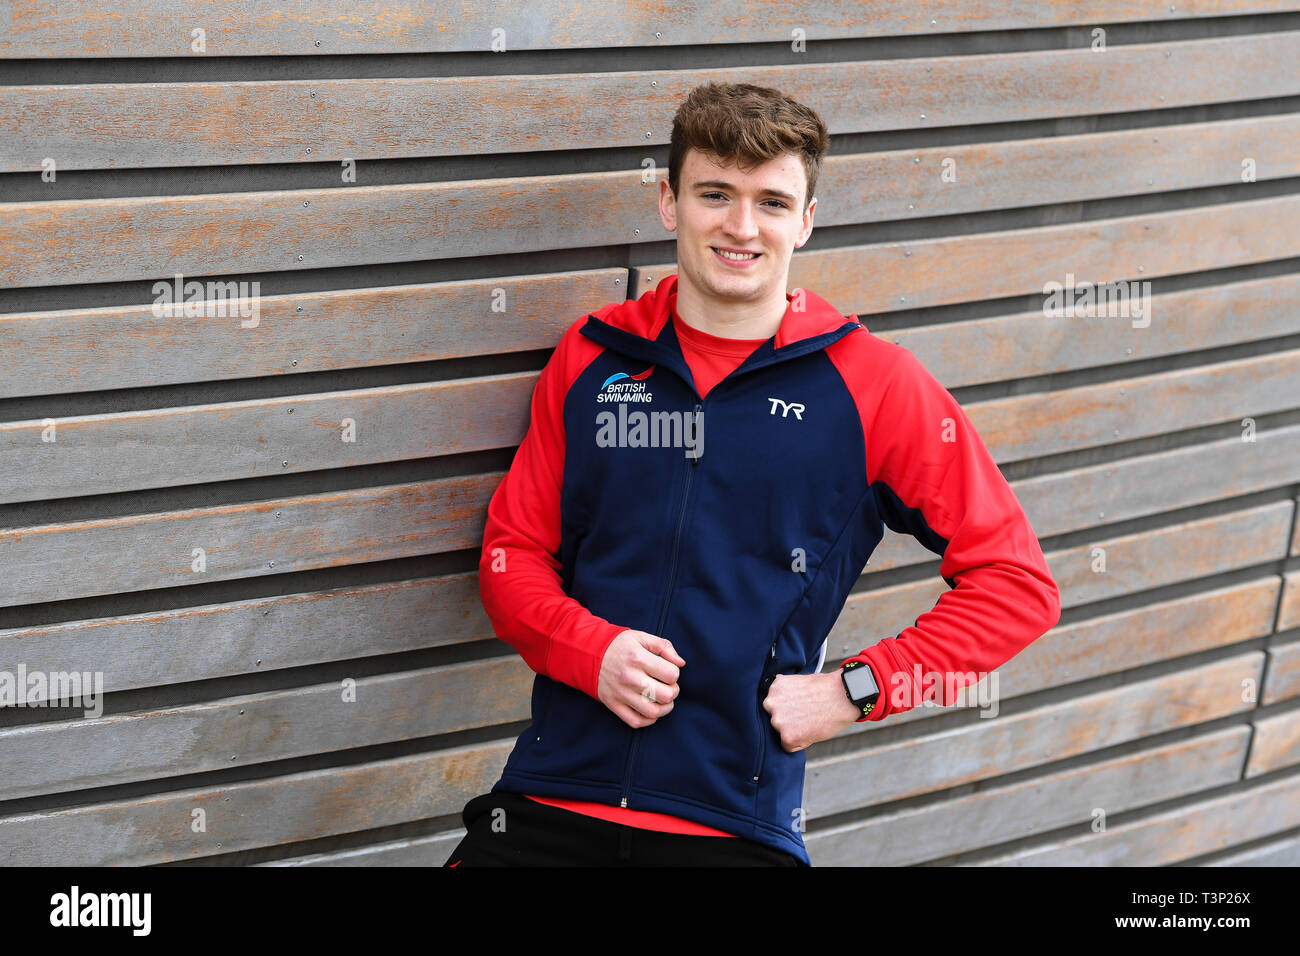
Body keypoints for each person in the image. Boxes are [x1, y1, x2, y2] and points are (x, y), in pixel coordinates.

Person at [444, 81, 1061, 867]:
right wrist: (586, 648)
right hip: (548, 802)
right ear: (669, 202)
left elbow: (1016, 585)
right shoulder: (594, 357)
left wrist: (855, 690)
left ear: (805, 220)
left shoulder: (875, 386)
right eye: (715, 194)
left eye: (772, 202)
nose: (741, 226)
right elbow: (510, 555)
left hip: (736, 827)